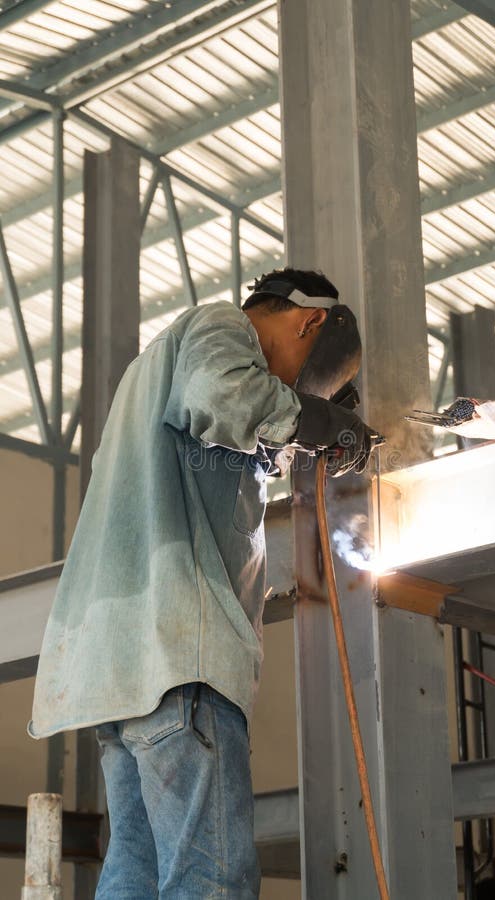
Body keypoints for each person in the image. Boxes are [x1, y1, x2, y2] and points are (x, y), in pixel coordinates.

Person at [28, 267, 376, 899]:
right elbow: (226, 397)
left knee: (134, 876)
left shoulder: (153, 370)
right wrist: (322, 423)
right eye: (298, 373)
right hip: (179, 657)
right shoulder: (220, 326)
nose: (288, 387)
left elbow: (231, 427)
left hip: (119, 675)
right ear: (309, 320)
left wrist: (309, 429)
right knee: (210, 881)